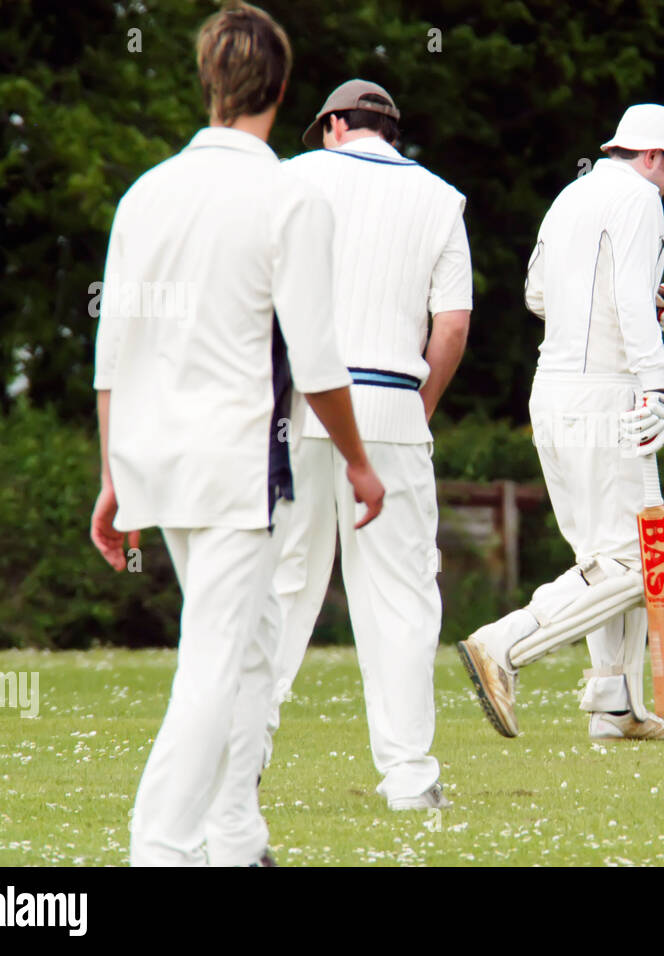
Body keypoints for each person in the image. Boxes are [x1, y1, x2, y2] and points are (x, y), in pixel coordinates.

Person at [89, 2, 384, 866]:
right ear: (283, 88)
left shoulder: (145, 193)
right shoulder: (288, 194)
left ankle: (236, 835)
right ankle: (162, 849)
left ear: (208, 80)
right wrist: (362, 465)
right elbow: (320, 359)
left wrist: (113, 477)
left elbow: (116, 352)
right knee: (216, 659)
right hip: (235, 462)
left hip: (156, 456)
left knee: (248, 642)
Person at [254, 80, 471, 811]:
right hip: (391, 407)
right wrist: (417, 412)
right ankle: (410, 778)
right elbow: (453, 326)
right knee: (404, 600)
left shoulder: (291, 176)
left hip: (298, 411)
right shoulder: (442, 198)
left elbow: (257, 299)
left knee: (281, 586)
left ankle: (242, 754)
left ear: (337, 125)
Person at [458, 104, 664, 741]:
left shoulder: (571, 195)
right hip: (606, 395)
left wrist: (649, 303)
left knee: (603, 557)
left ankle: (612, 703)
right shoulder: (638, 198)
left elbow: (538, 295)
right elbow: (625, 297)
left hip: (553, 392)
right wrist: (656, 383)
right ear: (650, 155)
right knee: (632, 562)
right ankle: (502, 644)